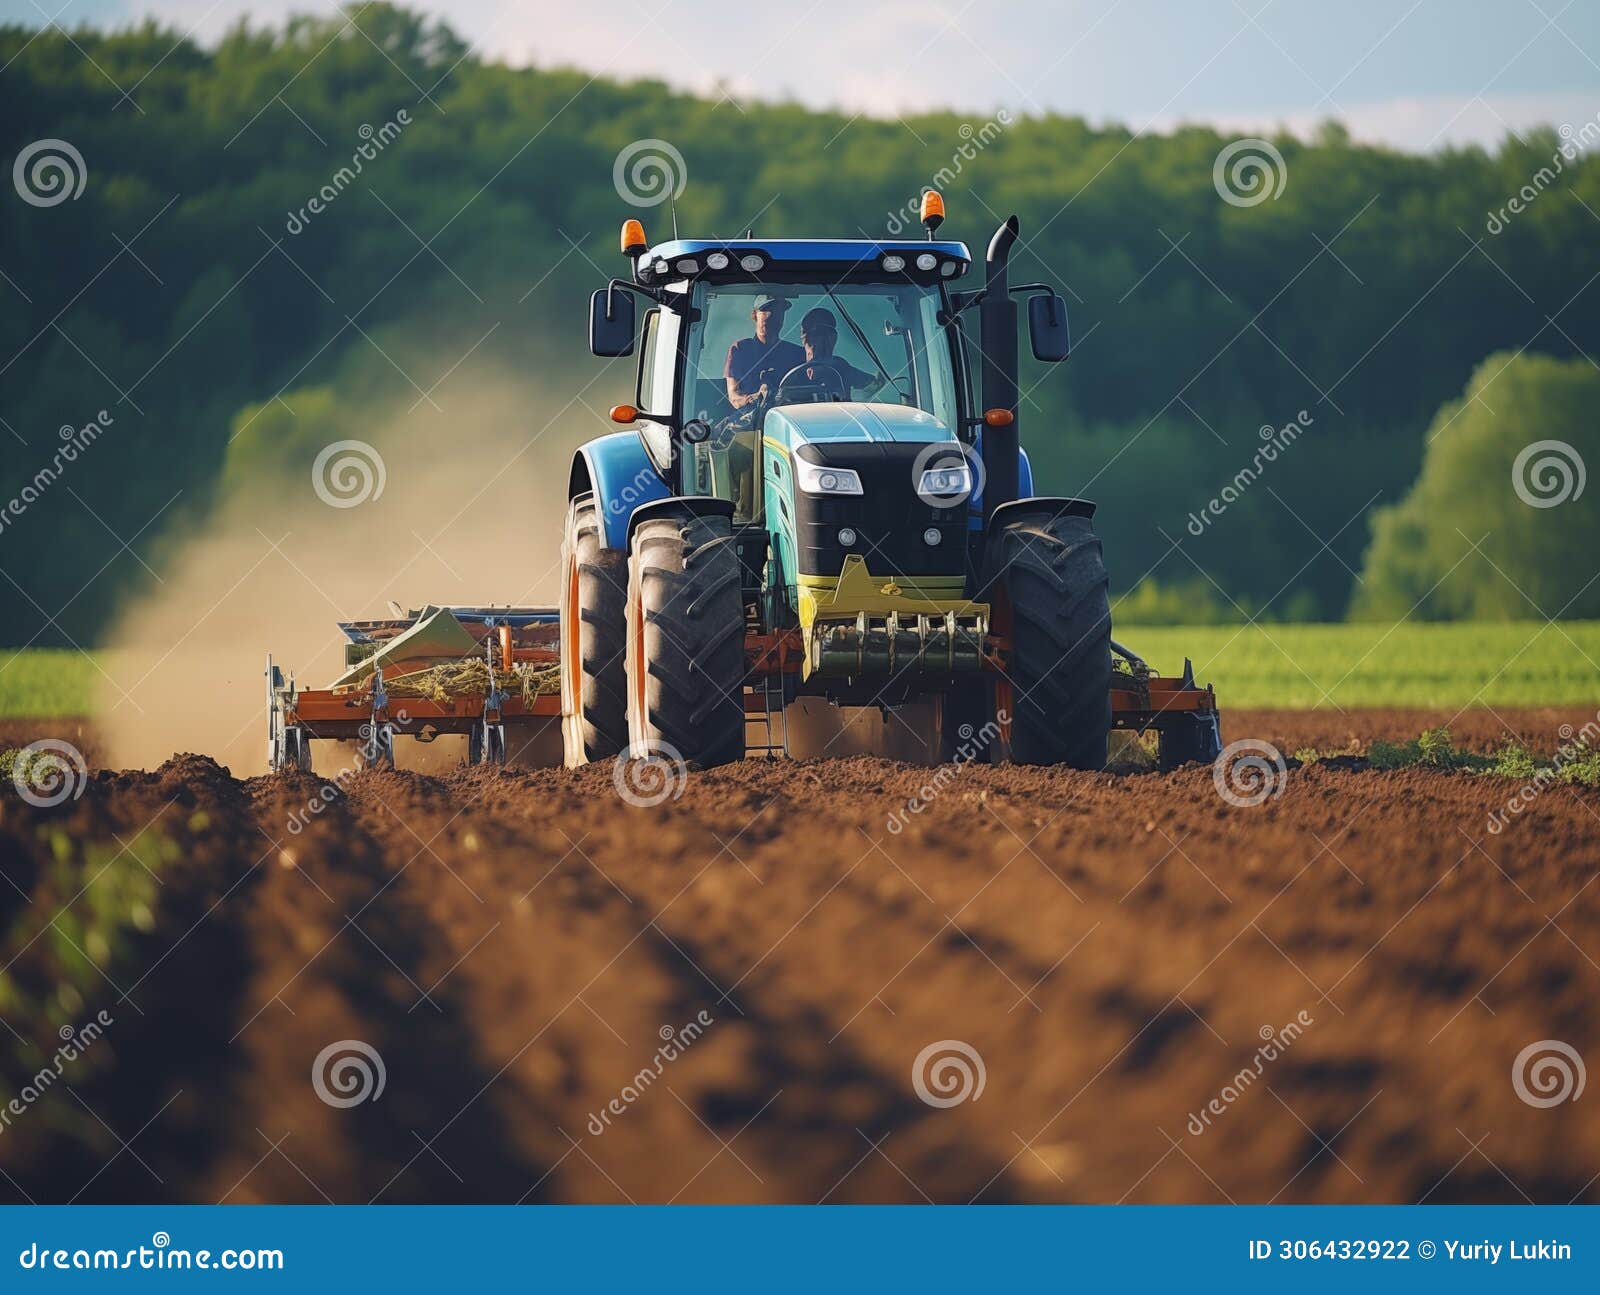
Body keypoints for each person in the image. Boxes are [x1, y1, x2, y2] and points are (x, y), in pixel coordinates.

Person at [724, 295, 805, 412]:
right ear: (754, 315)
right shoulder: (739, 350)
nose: (771, 315)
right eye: (765, 310)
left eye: (778, 311)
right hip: (750, 424)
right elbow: (734, 398)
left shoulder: (797, 354)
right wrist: (757, 397)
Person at [797, 308, 883, 397]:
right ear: (804, 338)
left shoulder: (840, 367)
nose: (822, 340)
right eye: (816, 334)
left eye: (828, 333)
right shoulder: (791, 366)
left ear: (834, 338)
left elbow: (875, 385)